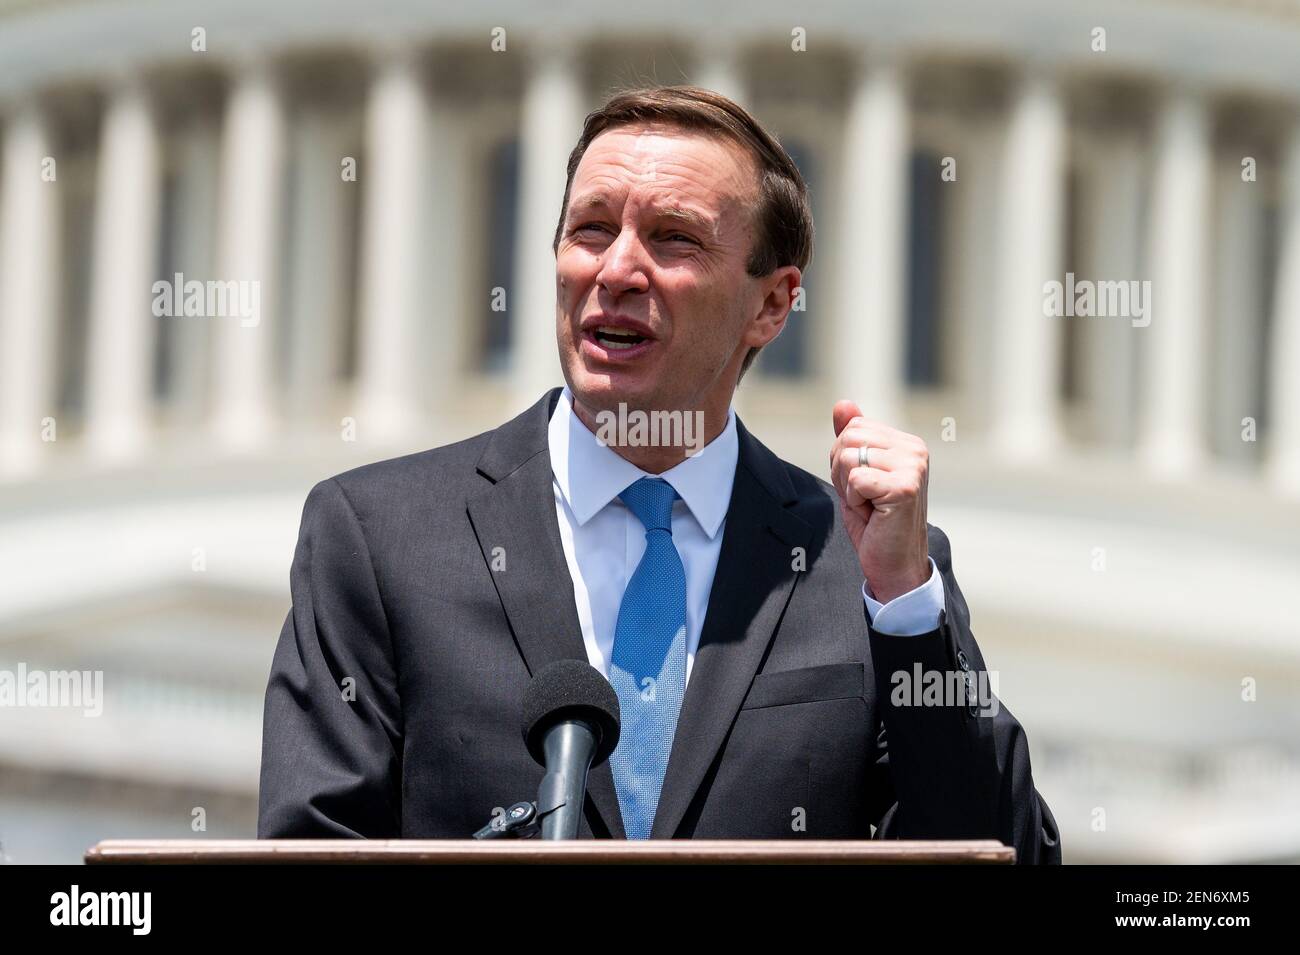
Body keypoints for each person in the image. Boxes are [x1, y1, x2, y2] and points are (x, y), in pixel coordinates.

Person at [257, 84, 1061, 862]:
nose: (616, 271)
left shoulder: (858, 570)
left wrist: (907, 611)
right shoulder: (380, 538)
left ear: (773, 305)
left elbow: (1000, 855)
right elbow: (313, 857)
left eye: (673, 237)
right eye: (591, 230)